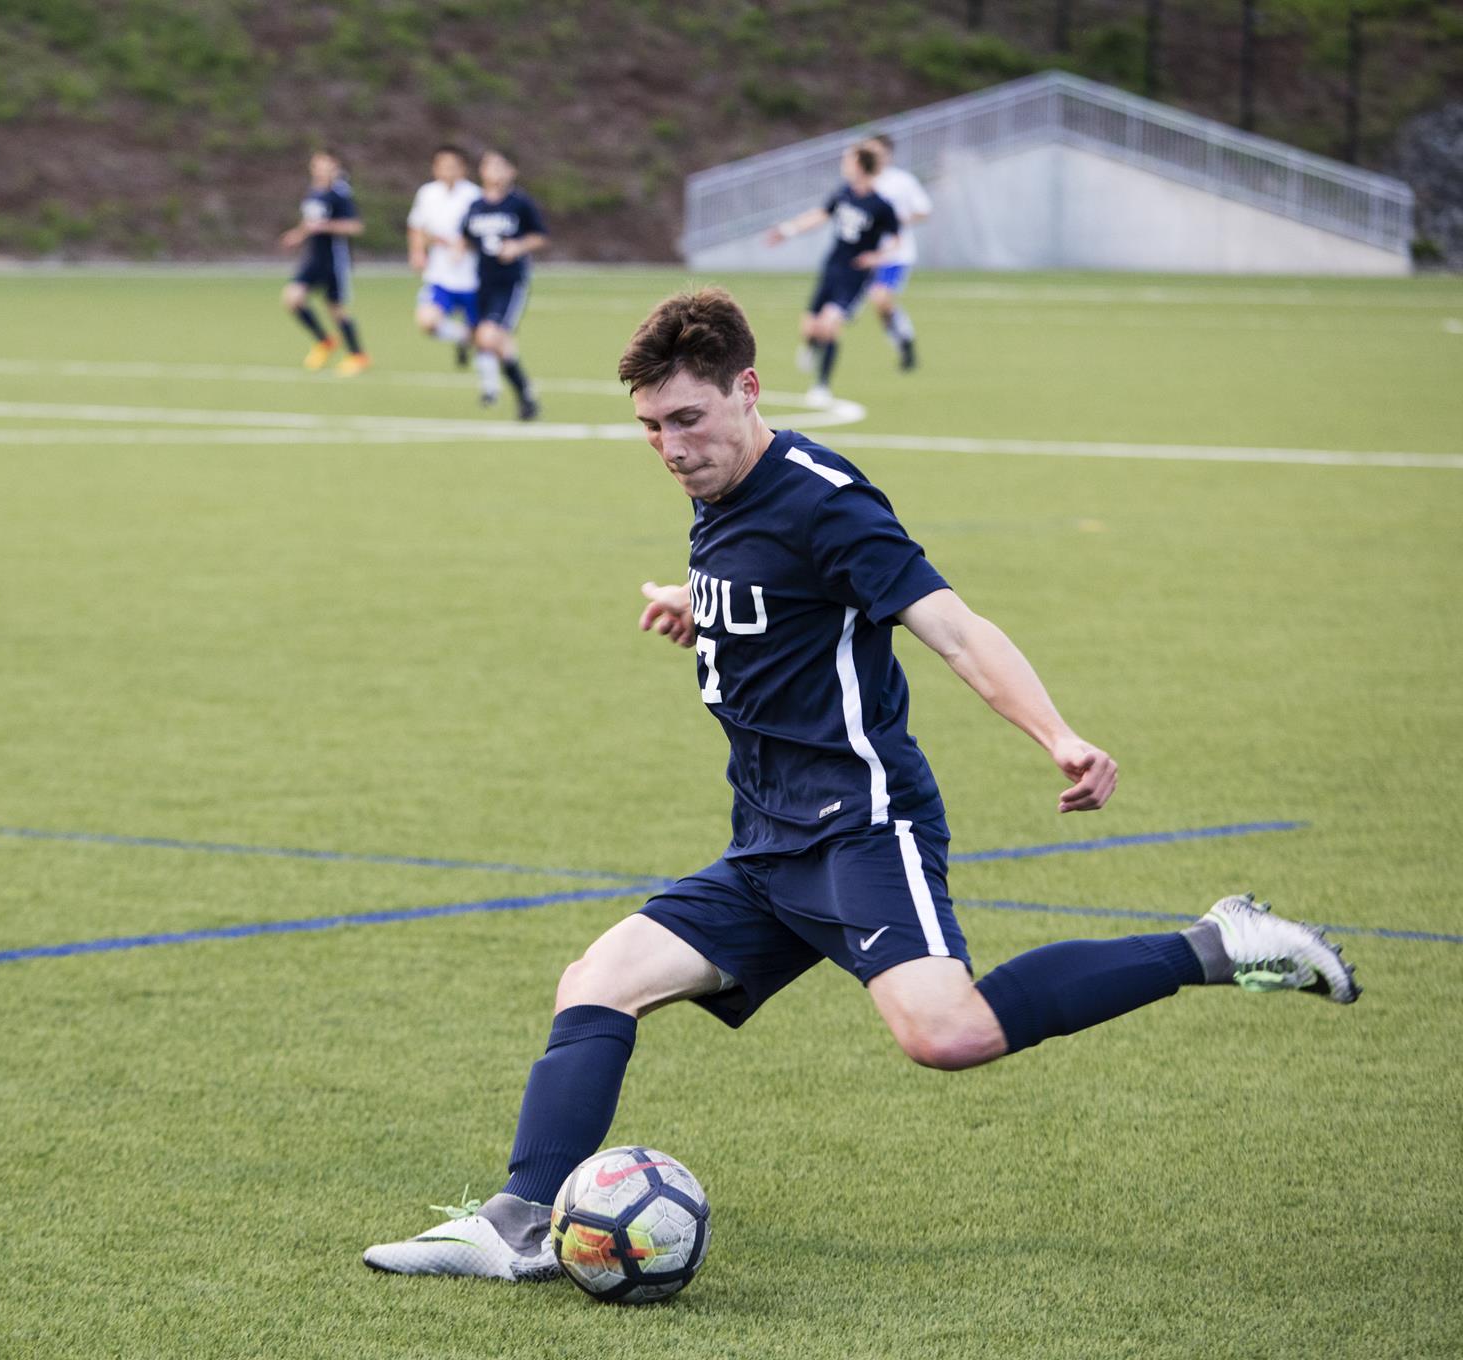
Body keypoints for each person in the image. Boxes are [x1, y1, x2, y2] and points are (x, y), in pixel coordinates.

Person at [362, 288, 1358, 1282]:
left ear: (746, 390)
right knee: (596, 983)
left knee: (947, 1033)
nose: (669, 446)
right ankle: (517, 1221)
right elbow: (779, 605)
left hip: (858, 829)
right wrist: (697, 605)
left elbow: (953, 627)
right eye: (650, 427)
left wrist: (1054, 732)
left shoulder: (824, 501)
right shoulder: (717, 494)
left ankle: (1218, 942)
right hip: (765, 841)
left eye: (687, 420)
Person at [763, 144, 900, 407]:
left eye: (848, 160)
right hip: (832, 267)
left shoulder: (882, 206)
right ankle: (811, 345)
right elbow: (819, 215)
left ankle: (821, 386)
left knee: (829, 324)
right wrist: (787, 230)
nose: (844, 164)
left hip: (855, 275)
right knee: (810, 327)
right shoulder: (844, 194)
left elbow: (896, 241)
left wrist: (876, 257)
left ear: (860, 165)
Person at [461, 151, 548, 420]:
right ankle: (526, 395)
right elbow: (465, 238)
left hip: (509, 283)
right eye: (490, 166)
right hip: (481, 283)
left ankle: (516, 392)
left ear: (512, 172)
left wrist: (518, 246)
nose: (495, 171)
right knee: (500, 344)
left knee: (488, 337)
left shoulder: (519, 203)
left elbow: (540, 237)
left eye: (502, 166)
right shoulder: (475, 205)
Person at [278, 149, 368, 376]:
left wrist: (326, 226)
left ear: (335, 167)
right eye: (318, 164)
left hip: (334, 260)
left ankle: (358, 355)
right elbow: (310, 223)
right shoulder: (313, 192)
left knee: (336, 310)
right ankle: (325, 341)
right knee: (292, 299)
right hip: (313, 258)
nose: (322, 169)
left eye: (327, 165)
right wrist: (297, 235)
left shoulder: (340, 194)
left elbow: (355, 226)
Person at [406, 144, 481, 370]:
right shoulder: (427, 193)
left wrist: (463, 244)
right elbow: (417, 226)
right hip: (440, 274)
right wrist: (417, 252)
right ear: (435, 168)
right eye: (443, 166)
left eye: (453, 166)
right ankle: (463, 337)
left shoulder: (474, 195)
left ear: (463, 169)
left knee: (486, 339)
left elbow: (483, 234)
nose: (448, 171)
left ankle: (490, 391)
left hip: (472, 276)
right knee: (427, 322)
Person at [861, 134, 931, 372]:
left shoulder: (902, 181)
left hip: (896, 253)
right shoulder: (861, 182)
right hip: (868, 254)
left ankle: (905, 340)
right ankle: (902, 339)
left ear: (887, 155)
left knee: (881, 299)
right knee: (879, 305)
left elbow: (923, 210)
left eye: (876, 152)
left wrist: (896, 220)